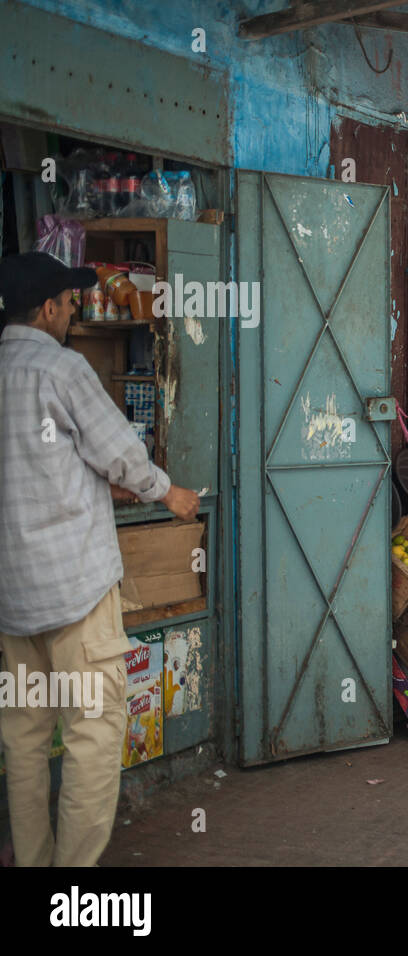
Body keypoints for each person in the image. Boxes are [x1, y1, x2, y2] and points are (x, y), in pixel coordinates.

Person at [0, 251, 200, 867]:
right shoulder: (61, 369)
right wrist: (169, 492)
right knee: (91, 734)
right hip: (75, 590)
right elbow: (119, 452)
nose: (73, 310)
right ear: (48, 308)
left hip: (11, 598)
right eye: (67, 301)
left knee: (24, 742)